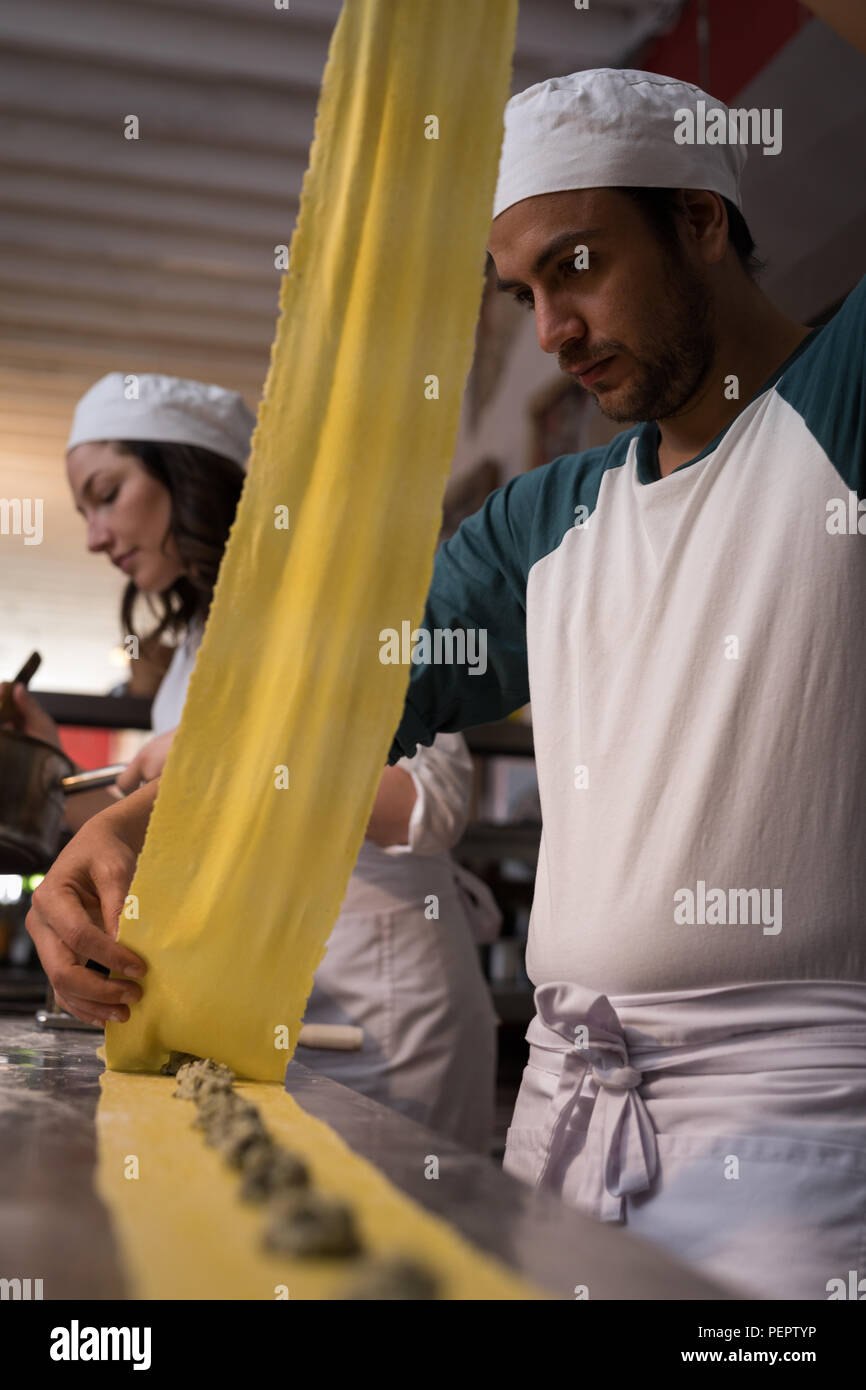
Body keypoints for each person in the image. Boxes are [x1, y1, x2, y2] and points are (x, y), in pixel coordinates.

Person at [378, 59, 866, 1299]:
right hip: (560, 1108)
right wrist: (132, 834)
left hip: (797, 1131)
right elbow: (345, 710)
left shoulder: (838, 405)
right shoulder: (545, 516)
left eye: (577, 264)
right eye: (524, 292)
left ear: (699, 221)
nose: (550, 330)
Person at [18, 373, 499, 1150]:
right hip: (254, 1010)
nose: (95, 537)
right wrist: (38, 756)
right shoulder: (191, 652)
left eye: (106, 494)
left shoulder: (340, 597)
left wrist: (224, 757)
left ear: (185, 470)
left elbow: (428, 803)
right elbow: (156, 815)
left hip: (385, 1016)